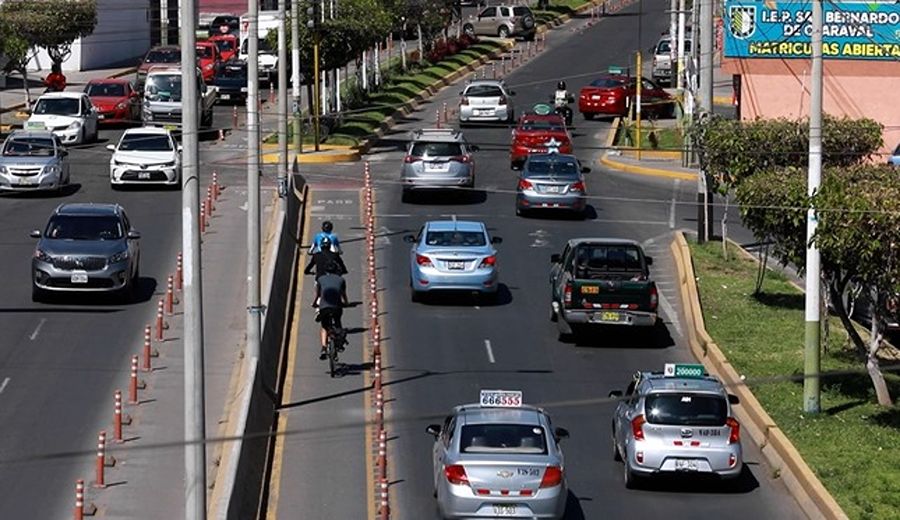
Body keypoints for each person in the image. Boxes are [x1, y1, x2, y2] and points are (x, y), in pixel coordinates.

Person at [316, 261, 348, 360]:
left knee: (324, 327)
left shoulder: (320, 279)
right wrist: (346, 302)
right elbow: (343, 294)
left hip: (324, 308)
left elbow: (318, 294)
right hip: (336, 308)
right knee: (338, 324)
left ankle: (324, 348)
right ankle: (339, 343)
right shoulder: (341, 280)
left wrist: (314, 303)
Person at [304, 235, 348, 307]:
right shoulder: (335, 255)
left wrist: (307, 271)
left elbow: (310, 265)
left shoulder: (316, 255)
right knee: (341, 287)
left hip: (319, 277)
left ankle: (316, 300)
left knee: (317, 289)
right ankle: (346, 301)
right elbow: (342, 264)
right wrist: (344, 271)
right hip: (334, 276)